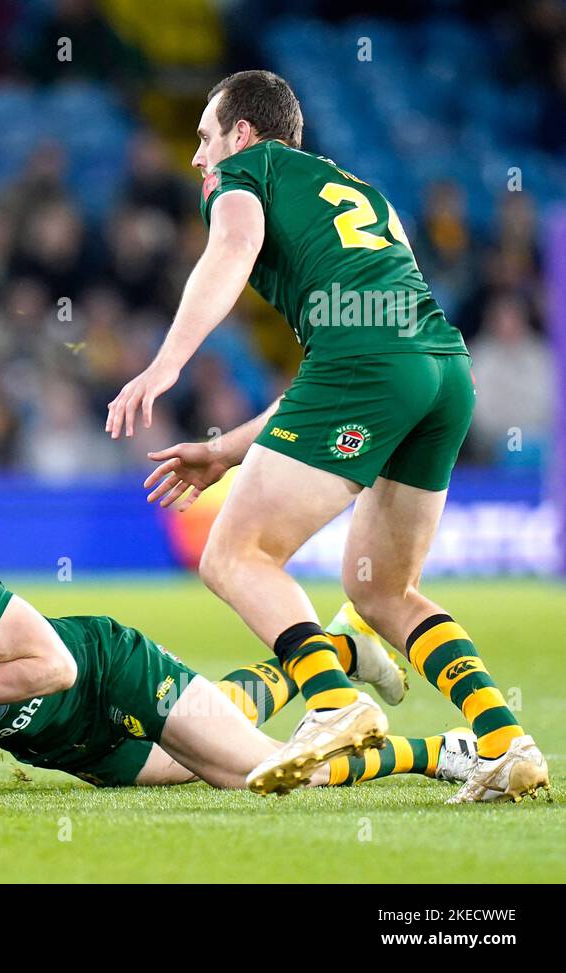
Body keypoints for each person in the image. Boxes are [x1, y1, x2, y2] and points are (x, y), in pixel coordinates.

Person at [106, 70, 547, 802]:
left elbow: (232, 249)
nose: (197, 156)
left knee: (235, 555)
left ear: (243, 134)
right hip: (442, 370)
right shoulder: (357, 191)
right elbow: (341, 371)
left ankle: (335, 704)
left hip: (367, 367)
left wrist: (166, 362)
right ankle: (505, 743)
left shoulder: (244, 171)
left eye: (205, 137)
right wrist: (224, 450)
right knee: (381, 590)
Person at [0, 545, 473, 793]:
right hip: (79, 751)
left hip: (110, 672)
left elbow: (54, 667)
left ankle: (441, 751)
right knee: (223, 726)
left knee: (258, 772)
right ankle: (340, 650)